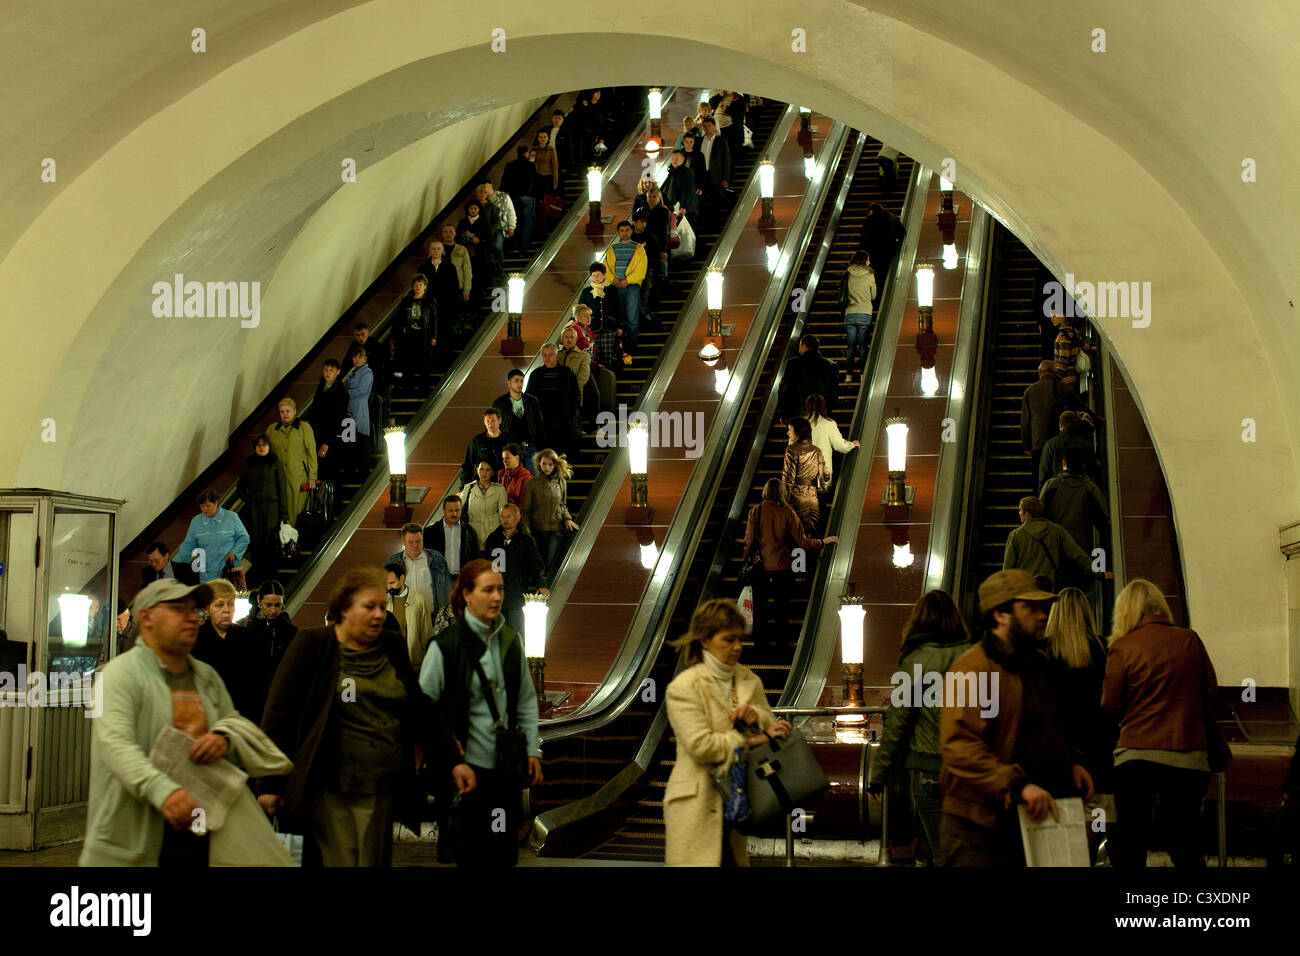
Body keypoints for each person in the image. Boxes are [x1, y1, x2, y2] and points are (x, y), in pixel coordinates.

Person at [259, 567, 474, 867]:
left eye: (382, 607)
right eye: (369, 607)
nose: (378, 615)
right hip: (329, 789)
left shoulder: (391, 646)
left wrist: (453, 759)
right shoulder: (312, 646)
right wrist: (269, 785)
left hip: (380, 788)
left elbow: (419, 710)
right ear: (344, 608)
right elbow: (278, 717)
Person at [80, 578, 292, 867]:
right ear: (147, 618)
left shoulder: (205, 677)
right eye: (180, 610)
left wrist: (224, 737)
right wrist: (164, 791)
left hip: (201, 828)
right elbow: (116, 745)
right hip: (135, 834)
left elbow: (232, 722)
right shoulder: (119, 676)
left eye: (194, 611)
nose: (192, 618)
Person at [939, 569, 1095, 867]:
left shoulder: (1038, 663)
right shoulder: (972, 670)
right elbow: (960, 746)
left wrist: (1070, 763)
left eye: (1043, 607)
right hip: (980, 827)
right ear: (1001, 614)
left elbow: (1047, 726)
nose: (1042, 615)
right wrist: (1017, 785)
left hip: (1032, 818)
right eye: (1030, 607)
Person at [418, 560, 543, 867]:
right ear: (466, 596)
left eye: (500, 589)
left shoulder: (510, 639)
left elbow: (525, 700)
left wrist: (531, 749)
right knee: (470, 853)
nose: (497, 597)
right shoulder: (445, 646)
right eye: (488, 590)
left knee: (502, 852)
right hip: (465, 771)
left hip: (503, 767)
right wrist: (450, 758)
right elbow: (424, 710)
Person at [663, 598, 793, 866]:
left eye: (740, 640)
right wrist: (750, 740)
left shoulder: (749, 680)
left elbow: (770, 726)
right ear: (704, 640)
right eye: (728, 639)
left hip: (738, 799)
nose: (737, 647)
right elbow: (700, 746)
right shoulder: (684, 687)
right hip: (695, 803)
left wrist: (761, 719)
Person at [1102, 579, 1219, 868]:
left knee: (1130, 839)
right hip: (1190, 754)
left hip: (1137, 756)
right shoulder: (1189, 639)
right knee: (1185, 841)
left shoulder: (1123, 647)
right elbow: (1211, 690)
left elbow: (1109, 705)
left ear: (1126, 611)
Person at [867, 590, 973, 866]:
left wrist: (878, 776)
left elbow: (898, 723)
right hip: (969, 771)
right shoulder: (976, 658)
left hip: (928, 772)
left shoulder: (915, 661)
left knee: (939, 851)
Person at [1044, 586, 1115, 859]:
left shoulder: (1043, 651)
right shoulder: (1103, 649)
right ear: (1087, 614)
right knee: (1093, 811)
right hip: (1098, 751)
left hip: (1057, 753)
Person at [741, 478, 835, 647]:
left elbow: (748, 541)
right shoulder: (788, 513)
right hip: (782, 568)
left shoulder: (756, 512)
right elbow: (803, 543)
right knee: (781, 608)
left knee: (761, 608)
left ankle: (761, 645)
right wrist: (823, 542)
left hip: (760, 567)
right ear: (781, 492)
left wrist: (746, 560)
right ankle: (781, 644)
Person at [1003, 496, 1111, 591]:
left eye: (1020, 511)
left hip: (1024, 589)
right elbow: (1078, 555)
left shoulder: (1015, 536)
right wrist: (1100, 574)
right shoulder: (1057, 531)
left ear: (1027, 514)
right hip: (1048, 588)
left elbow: (1008, 569)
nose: (1019, 513)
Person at [235, 579, 297, 723]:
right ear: (259, 601)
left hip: (279, 697)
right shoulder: (245, 628)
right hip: (249, 697)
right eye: (268, 605)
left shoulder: (290, 631)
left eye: (278, 605)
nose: (273, 610)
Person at [481, 504, 548, 634]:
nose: (505, 520)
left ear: (518, 518)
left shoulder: (526, 540)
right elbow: (486, 566)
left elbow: (536, 565)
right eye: (502, 517)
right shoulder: (493, 539)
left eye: (508, 516)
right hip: (496, 597)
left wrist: (541, 584)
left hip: (516, 597)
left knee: (515, 633)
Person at [191, 578, 252, 709]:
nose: (227, 610)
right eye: (220, 605)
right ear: (207, 609)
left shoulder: (247, 637)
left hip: (242, 713)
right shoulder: (193, 640)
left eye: (231, 604)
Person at [1041, 447, 1110, 557]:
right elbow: (1103, 522)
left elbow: (1040, 514)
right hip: (1082, 547)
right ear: (1083, 465)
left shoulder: (1051, 486)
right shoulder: (1090, 489)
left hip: (1054, 545)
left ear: (1064, 464)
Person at [1020, 360, 1081, 481]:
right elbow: (1080, 406)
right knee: (1059, 477)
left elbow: (1025, 422)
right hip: (1060, 441)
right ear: (1055, 373)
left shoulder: (1029, 392)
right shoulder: (1064, 389)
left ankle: (1039, 498)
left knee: (1039, 477)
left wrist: (1027, 445)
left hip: (1038, 443)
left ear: (1040, 373)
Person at [520, 448, 579, 571]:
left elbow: (563, 505)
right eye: (544, 464)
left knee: (550, 563)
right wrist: (526, 532)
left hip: (555, 530)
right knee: (539, 567)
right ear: (539, 464)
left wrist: (568, 518)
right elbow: (526, 511)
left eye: (550, 464)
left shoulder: (561, 482)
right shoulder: (532, 483)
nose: (547, 467)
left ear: (555, 465)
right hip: (537, 531)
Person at [236, 436, 284, 585]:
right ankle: (259, 575)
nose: (261, 448)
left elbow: (282, 488)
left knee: (271, 542)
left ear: (269, 446)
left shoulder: (275, 462)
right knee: (256, 543)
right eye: (258, 445)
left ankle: (272, 575)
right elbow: (240, 487)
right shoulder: (250, 463)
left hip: (272, 509)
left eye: (264, 445)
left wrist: (284, 513)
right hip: (255, 510)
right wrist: (249, 500)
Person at [177, 490, 250, 584]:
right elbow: (187, 547)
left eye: (208, 506)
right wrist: (174, 566)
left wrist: (234, 553)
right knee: (210, 599)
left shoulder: (232, 517)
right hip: (207, 575)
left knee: (241, 598)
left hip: (233, 571)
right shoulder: (196, 522)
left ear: (216, 503)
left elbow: (244, 538)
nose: (204, 509)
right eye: (202, 506)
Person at [265, 398, 318, 525]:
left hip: (298, 476)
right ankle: (284, 540)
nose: (285, 414)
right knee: (280, 509)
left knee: (298, 510)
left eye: (288, 411)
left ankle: (295, 540)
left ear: (295, 411)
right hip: (278, 477)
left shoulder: (304, 428)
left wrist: (312, 476)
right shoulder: (272, 430)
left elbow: (311, 453)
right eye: (282, 411)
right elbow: (267, 453)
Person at [526, 344, 581, 457]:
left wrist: (571, 416)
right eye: (545, 355)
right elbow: (529, 398)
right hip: (543, 422)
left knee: (562, 456)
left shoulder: (567, 373)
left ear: (556, 355)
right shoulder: (535, 374)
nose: (547, 358)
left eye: (550, 355)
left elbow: (575, 395)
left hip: (563, 421)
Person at [602, 221, 648, 353]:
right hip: (615, 287)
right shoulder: (612, 249)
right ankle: (621, 350)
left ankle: (632, 348)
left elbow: (641, 270)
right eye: (621, 230)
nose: (624, 233)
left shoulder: (639, 248)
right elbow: (606, 267)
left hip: (631, 287)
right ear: (618, 233)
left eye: (627, 230)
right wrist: (614, 280)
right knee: (618, 319)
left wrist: (627, 281)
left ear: (631, 231)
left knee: (632, 318)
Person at [386, 522, 449, 615]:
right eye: (411, 542)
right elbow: (385, 590)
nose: (415, 545)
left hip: (433, 616)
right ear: (403, 541)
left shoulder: (436, 558)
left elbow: (448, 587)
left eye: (418, 541)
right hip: (404, 616)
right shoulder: (392, 562)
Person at [305, 358, 351, 484]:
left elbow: (338, 420)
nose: (328, 373)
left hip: (330, 438)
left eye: (331, 370)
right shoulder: (321, 386)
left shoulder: (342, 393)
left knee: (329, 472)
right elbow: (314, 407)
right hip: (316, 433)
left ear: (338, 372)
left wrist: (327, 443)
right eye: (326, 370)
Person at [777, 333, 840, 421]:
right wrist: (828, 411)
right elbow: (834, 392)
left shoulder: (794, 363)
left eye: (800, 346)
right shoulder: (831, 365)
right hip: (822, 414)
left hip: (798, 414)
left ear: (804, 346)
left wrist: (784, 414)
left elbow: (785, 390)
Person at [804, 393, 859, 491]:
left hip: (801, 475)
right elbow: (840, 446)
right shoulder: (828, 424)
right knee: (820, 503)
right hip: (820, 474)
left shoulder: (798, 424)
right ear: (823, 406)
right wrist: (852, 444)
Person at [385, 562, 434, 668]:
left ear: (402, 578)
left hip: (414, 664)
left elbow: (427, 635)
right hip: (390, 665)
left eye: (392, 583)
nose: (389, 587)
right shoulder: (383, 601)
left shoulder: (419, 600)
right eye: (386, 583)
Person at [782, 417, 827, 534]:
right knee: (812, 529)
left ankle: (799, 552)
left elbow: (788, 478)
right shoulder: (817, 450)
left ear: (798, 432)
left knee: (798, 532)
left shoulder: (792, 450)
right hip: (812, 496)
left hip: (796, 496)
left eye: (790, 430)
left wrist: (783, 499)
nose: (788, 433)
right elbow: (826, 475)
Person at [493, 368, 544, 468]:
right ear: (509, 382)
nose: (519, 384)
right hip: (510, 448)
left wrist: (539, 445)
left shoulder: (532, 401)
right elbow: (495, 426)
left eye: (521, 381)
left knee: (532, 479)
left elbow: (539, 424)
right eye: (516, 381)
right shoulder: (500, 403)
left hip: (530, 447)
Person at [858, 202, 906, 310]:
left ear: (870, 211)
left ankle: (874, 301)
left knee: (874, 277)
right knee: (883, 275)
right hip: (888, 252)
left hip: (873, 254)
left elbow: (863, 240)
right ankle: (883, 299)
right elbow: (902, 232)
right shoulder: (891, 217)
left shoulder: (869, 220)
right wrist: (895, 244)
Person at [578, 263, 625, 371]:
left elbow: (619, 308)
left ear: (604, 275)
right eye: (593, 275)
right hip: (592, 329)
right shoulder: (586, 292)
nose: (596, 278)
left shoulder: (612, 290)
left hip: (609, 327)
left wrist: (620, 326)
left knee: (609, 357)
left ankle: (609, 379)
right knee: (594, 358)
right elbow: (579, 310)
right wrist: (573, 321)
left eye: (598, 275)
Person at [1039, 410, 1099, 490]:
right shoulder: (1086, 444)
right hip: (1080, 491)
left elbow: (1044, 472)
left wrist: (1042, 493)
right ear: (1077, 425)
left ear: (1060, 425)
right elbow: (1092, 471)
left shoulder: (1051, 445)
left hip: (1057, 491)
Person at [423, 494, 480, 577]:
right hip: (439, 579)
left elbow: (476, 559)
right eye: (451, 511)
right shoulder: (430, 531)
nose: (454, 514)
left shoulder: (470, 531)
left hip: (462, 579)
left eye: (457, 510)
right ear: (444, 510)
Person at [393, 275, 437, 380]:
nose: (418, 287)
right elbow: (399, 318)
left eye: (420, 285)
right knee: (409, 361)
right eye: (415, 285)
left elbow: (434, 319)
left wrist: (434, 336)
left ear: (425, 286)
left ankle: (423, 385)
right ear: (412, 286)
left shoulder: (430, 300)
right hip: (409, 336)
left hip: (424, 335)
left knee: (424, 362)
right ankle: (409, 385)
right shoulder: (406, 301)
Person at [842, 251, 876, 381]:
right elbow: (874, 296)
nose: (869, 262)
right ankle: (862, 374)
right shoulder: (870, 275)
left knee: (850, 346)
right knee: (862, 346)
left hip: (850, 313)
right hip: (865, 312)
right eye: (868, 260)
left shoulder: (848, 273)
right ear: (863, 261)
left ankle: (848, 375)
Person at [417, 241, 462, 340]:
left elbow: (455, 286)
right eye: (433, 248)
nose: (436, 251)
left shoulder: (450, 266)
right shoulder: (423, 267)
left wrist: (455, 303)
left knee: (445, 331)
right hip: (429, 304)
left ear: (442, 250)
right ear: (430, 250)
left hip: (446, 304)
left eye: (438, 248)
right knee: (430, 331)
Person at [460, 460, 508, 547]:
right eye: (481, 469)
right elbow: (458, 509)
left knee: (494, 561)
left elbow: (503, 515)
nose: (484, 473)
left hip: (494, 536)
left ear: (492, 473)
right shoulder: (468, 488)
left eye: (488, 470)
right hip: (473, 537)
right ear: (477, 470)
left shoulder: (500, 490)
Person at [476, 181, 516, 285]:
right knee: (487, 256)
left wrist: (511, 227)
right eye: (481, 192)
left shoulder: (493, 204)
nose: (483, 194)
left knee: (497, 248)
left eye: (485, 191)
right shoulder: (474, 206)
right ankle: (493, 277)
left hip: (496, 231)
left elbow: (499, 218)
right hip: (482, 234)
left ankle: (501, 274)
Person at [459, 407, 510, 487]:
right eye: (487, 421)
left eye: (493, 420)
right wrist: (463, 489)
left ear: (499, 421)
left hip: (504, 483)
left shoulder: (509, 440)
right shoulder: (477, 441)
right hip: (483, 485)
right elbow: (467, 466)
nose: (490, 424)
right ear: (484, 422)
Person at [500, 146, 536, 254]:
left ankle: (513, 244)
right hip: (528, 197)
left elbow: (504, 183)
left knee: (516, 222)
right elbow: (535, 181)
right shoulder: (530, 165)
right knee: (527, 223)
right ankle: (523, 248)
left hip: (513, 198)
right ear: (526, 153)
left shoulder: (510, 165)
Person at [557, 325, 594, 427]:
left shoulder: (583, 356)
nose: (569, 340)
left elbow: (584, 376)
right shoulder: (556, 355)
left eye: (572, 337)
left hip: (574, 393)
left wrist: (571, 387)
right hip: (556, 393)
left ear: (576, 339)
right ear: (561, 339)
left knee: (574, 420)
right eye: (566, 337)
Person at [697, 116, 732, 226]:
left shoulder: (721, 141)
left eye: (709, 126)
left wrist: (725, 178)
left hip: (715, 176)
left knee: (715, 201)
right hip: (702, 176)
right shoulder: (699, 141)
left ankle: (715, 223)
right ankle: (705, 223)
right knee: (702, 201)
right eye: (705, 126)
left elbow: (726, 161)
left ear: (714, 127)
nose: (707, 128)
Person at [1051, 313, 1096, 391]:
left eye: (1054, 316)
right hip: (1073, 375)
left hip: (1064, 379)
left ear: (1063, 315)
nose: (1052, 319)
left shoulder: (1063, 334)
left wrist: (1057, 377)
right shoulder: (1073, 330)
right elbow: (1085, 347)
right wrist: (1094, 348)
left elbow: (1063, 359)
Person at [344, 347, 374, 459]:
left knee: (361, 440)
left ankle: (364, 470)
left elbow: (362, 390)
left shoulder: (367, 373)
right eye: (355, 356)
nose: (357, 359)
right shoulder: (352, 373)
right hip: (350, 411)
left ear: (365, 358)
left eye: (360, 356)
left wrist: (345, 393)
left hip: (360, 410)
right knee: (349, 442)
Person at [438, 223, 473, 310]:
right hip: (441, 287)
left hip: (458, 287)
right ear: (442, 234)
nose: (448, 234)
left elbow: (467, 271)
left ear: (455, 233)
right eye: (445, 232)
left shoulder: (462, 249)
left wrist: (466, 290)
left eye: (450, 232)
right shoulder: (436, 249)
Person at [661, 148, 699, 219]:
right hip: (674, 208)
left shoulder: (687, 172)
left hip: (685, 209)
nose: (674, 160)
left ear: (682, 159)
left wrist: (684, 206)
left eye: (677, 158)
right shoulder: (671, 172)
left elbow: (689, 190)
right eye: (673, 158)